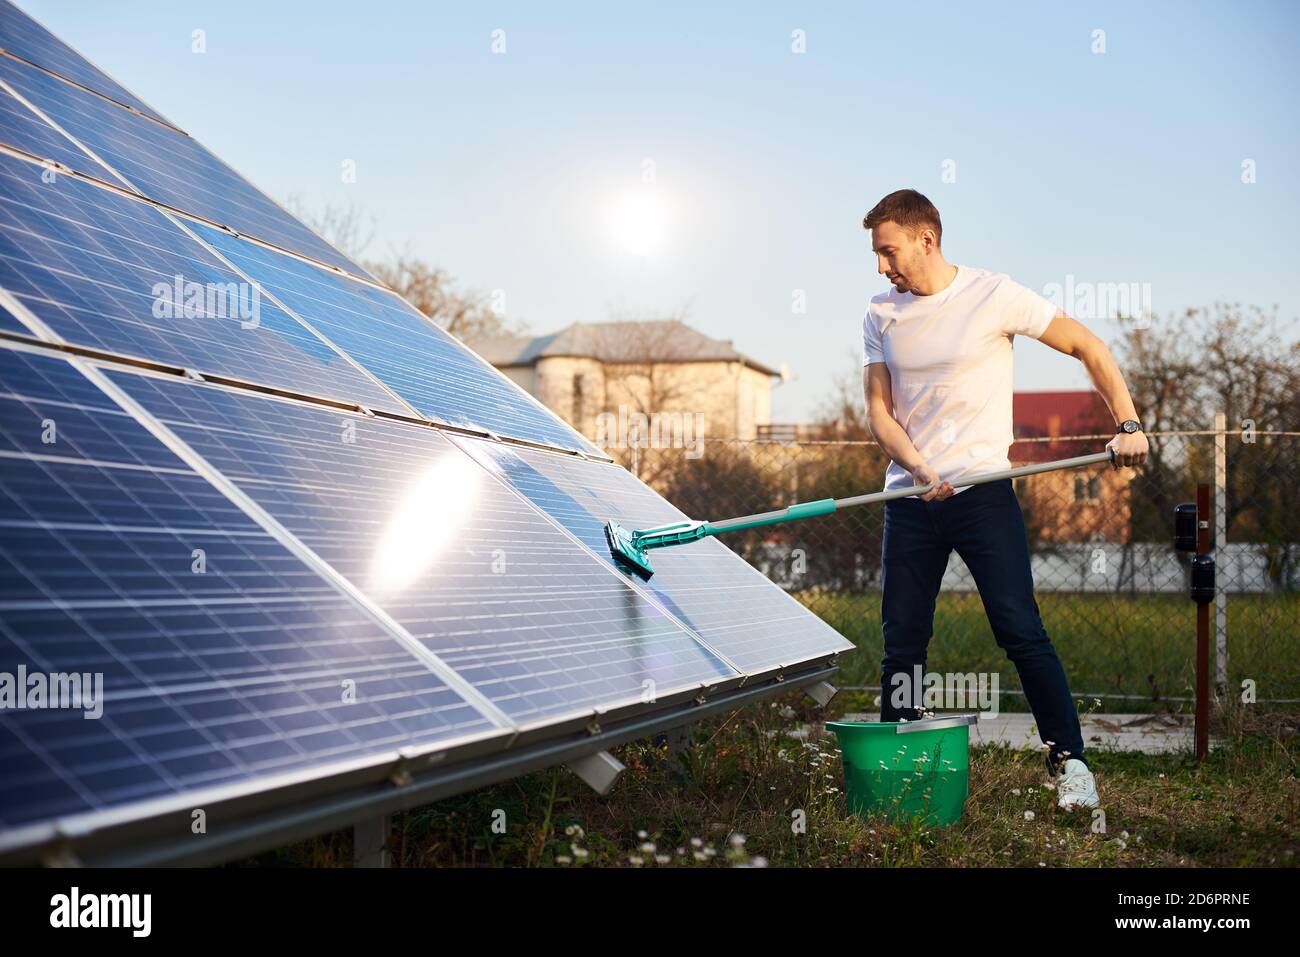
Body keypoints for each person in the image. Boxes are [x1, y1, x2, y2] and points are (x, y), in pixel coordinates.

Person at [860, 189, 1148, 810]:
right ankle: (901, 764)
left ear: (925, 239)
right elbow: (879, 411)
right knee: (903, 640)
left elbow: (1087, 348)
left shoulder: (994, 295)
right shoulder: (880, 311)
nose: (883, 267)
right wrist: (917, 465)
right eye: (878, 256)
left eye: (888, 252)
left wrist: (1126, 424)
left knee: (1019, 628)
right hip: (910, 499)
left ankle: (1070, 763)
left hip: (984, 494)